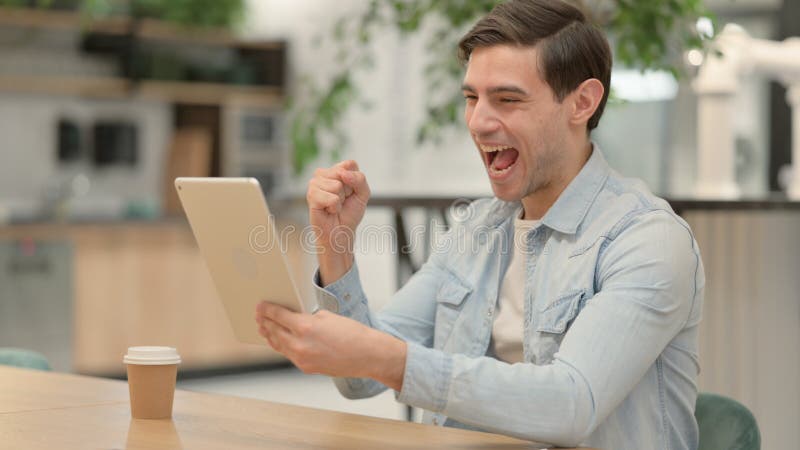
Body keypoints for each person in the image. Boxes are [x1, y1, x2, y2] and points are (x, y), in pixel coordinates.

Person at [255, 0, 705, 448]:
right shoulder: (478, 230)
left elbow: (571, 404)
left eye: (508, 100)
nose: (478, 122)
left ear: (582, 102)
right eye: (471, 98)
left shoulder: (647, 239)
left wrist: (392, 360)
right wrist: (335, 245)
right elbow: (359, 379)